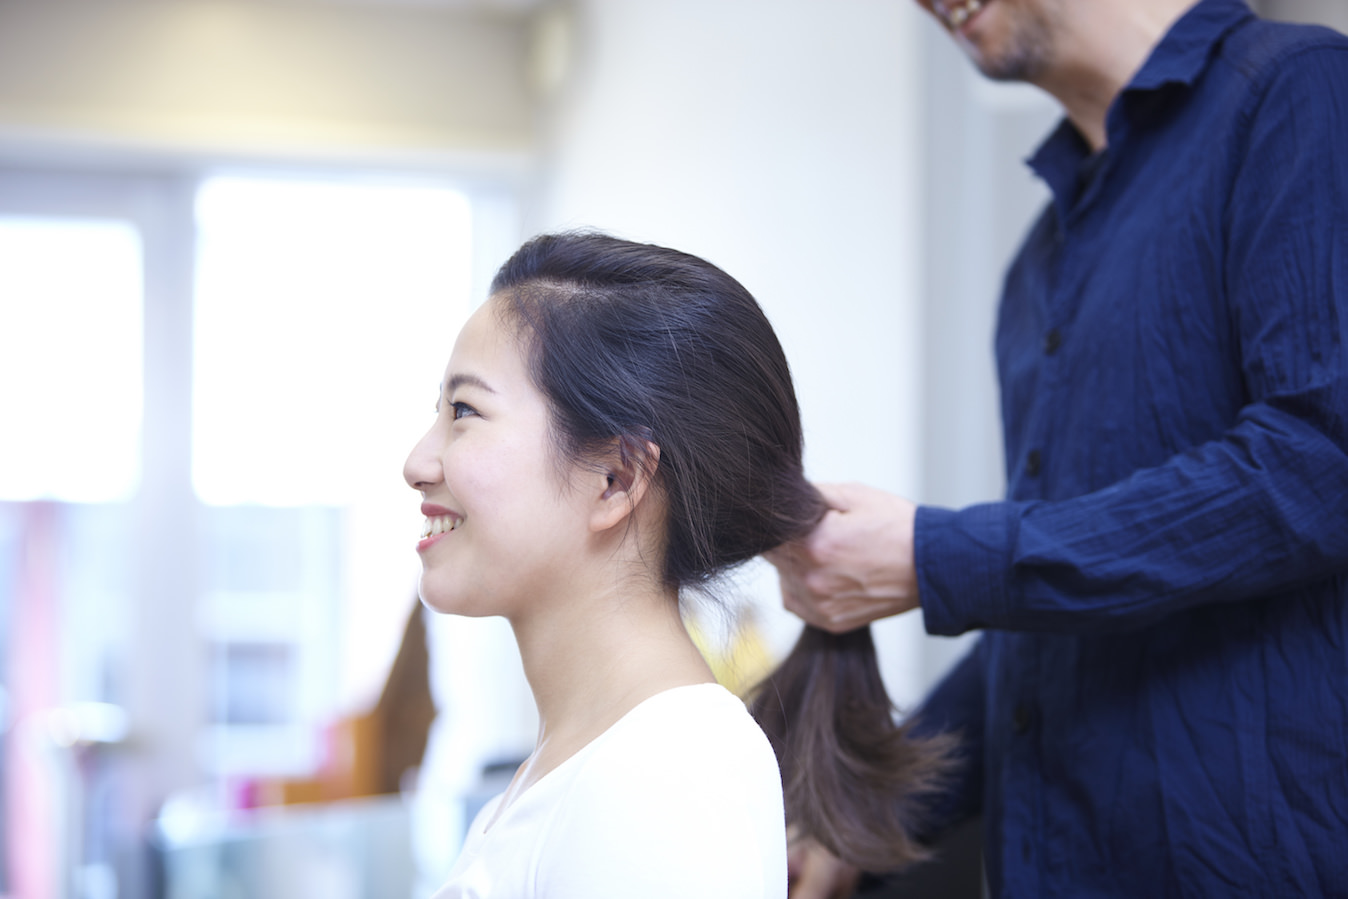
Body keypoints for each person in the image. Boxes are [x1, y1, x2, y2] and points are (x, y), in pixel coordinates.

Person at [771, 0, 1348, 896]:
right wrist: (866, 823)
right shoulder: (1034, 272)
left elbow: (1320, 463)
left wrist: (936, 556)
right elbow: (1049, 633)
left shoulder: (1297, 91)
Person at [402, 232, 947, 897]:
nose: (417, 463)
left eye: (464, 411)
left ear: (616, 479)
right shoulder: (578, 774)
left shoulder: (666, 776)